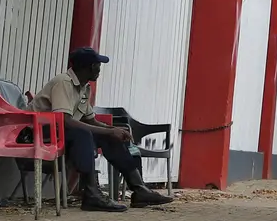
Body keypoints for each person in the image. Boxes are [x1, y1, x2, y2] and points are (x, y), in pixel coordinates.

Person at [35, 47, 175, 212]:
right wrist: (109, 131)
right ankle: (91, 193)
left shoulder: (84, 87)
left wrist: (114, 130)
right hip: (40, 133)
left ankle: (139, 189)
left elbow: (90, 120)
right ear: (87, 67)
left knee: (110, 137)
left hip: (62, 133)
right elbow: (64, 120)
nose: (99, 69)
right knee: (84, 134)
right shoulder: (63, 82)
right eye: (97, 65)